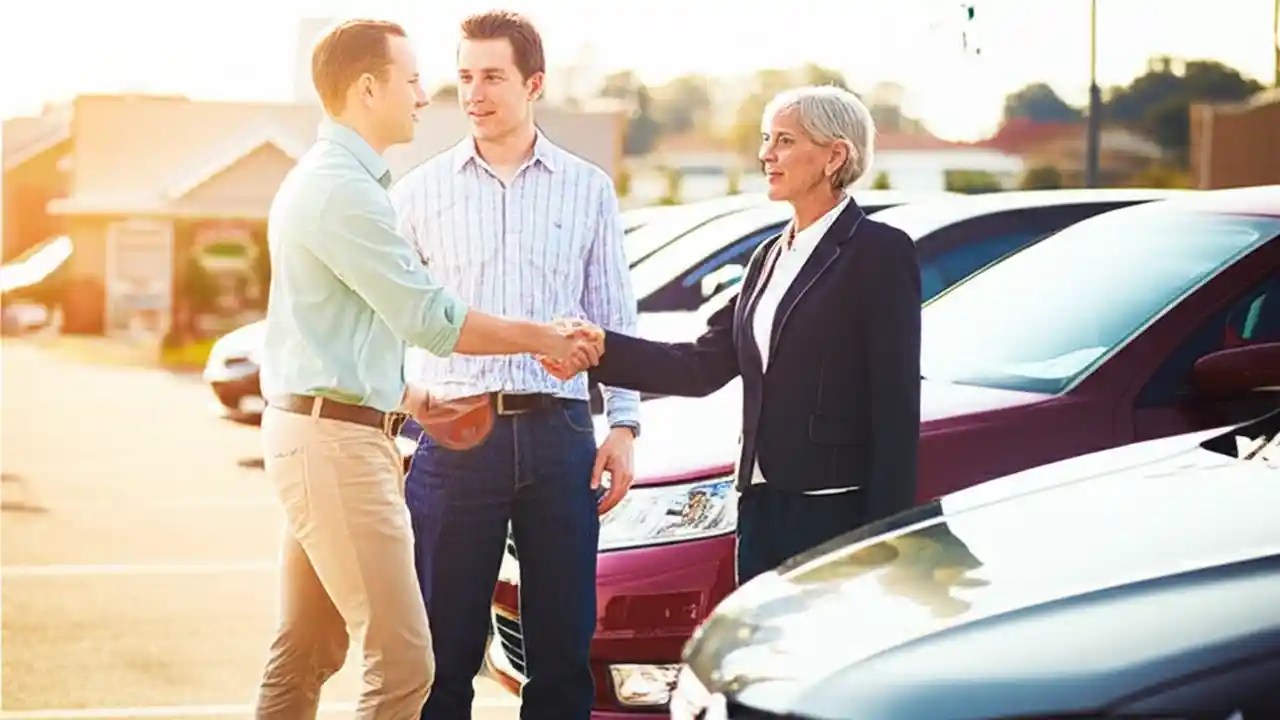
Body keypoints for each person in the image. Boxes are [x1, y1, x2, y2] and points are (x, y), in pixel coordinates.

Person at [253, 18, 599, 719]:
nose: (425, 93)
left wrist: (411, 399)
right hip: (336, 448)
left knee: (309, 649)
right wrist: (543, 338)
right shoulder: (344, 193)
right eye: (413, 79)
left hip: (327, 431)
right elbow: (431, 319)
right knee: (409, 662)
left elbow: (332, 338)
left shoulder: (335, 181)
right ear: (369, 87)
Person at [546, 85, 922, 585]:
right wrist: (598, 350)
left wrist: (884, 537)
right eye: (768, 138)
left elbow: (896, 404)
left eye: (785, 140)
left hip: (834, 514)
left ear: (835, 156)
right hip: (760, 506)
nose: (767, 153)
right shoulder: (769, 256)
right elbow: (701, 365)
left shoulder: (879, 252)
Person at [388, 10, 640, 720]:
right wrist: (403, 409)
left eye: (492, 76)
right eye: (464, 77)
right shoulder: (417, 194)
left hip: (561, 437)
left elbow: (614, 316)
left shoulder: (587, 188)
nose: (475, 93)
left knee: (561, 655)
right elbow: (388, 321)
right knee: (441, 653)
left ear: (534, 83)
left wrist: (624, 424)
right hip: (455, 433)